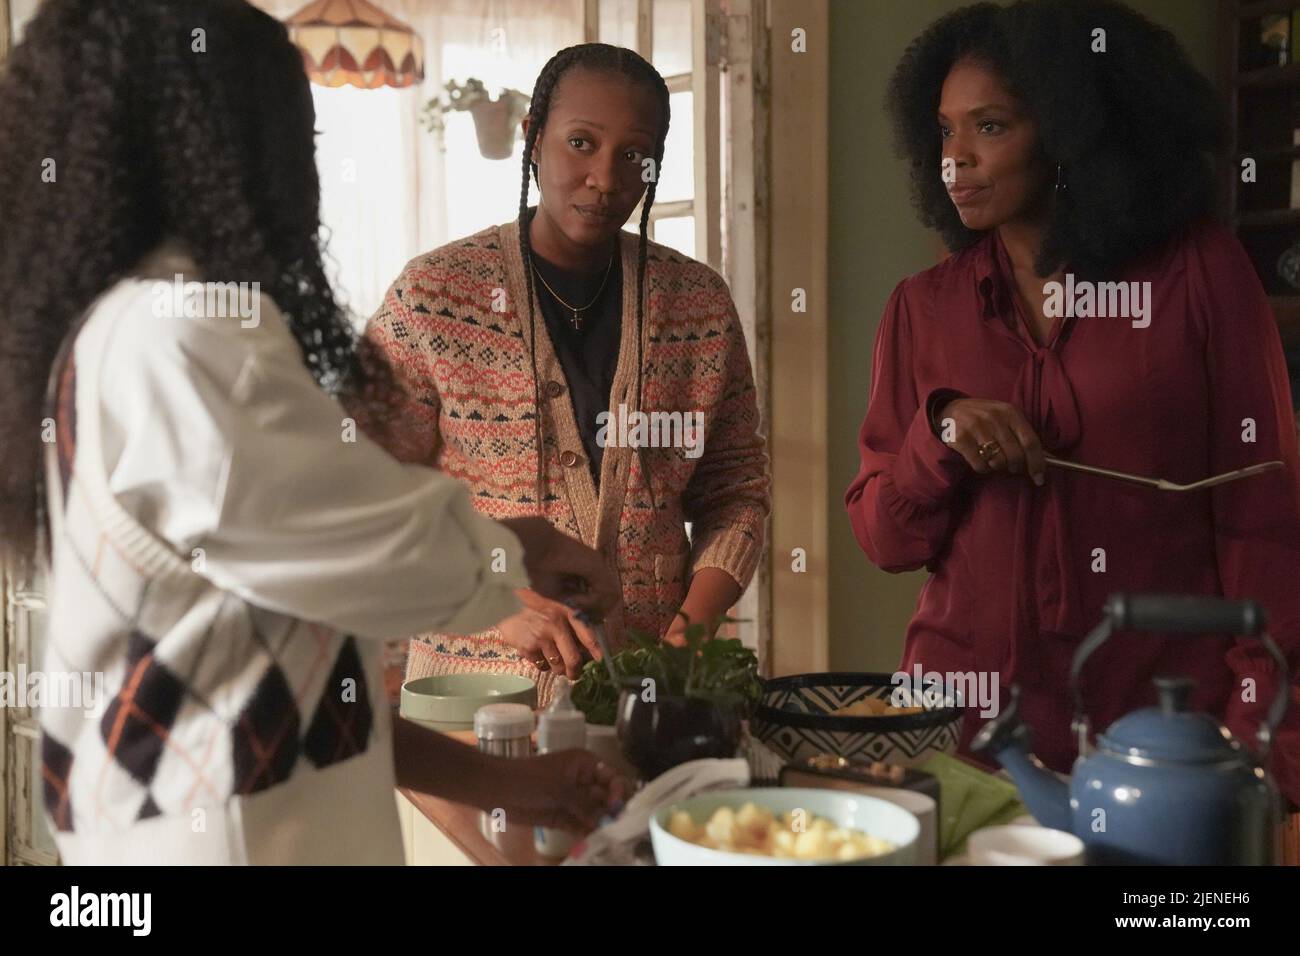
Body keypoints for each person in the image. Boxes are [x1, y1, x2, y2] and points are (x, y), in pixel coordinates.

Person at [0, 0, 626, 864]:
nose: (308, 166)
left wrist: (524, 784)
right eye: (296, 132)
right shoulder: (177, 338)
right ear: (227, 145)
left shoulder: (142, 330)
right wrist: (518, 549)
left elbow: (304, 669)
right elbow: (392, 561)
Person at [846, 0, 1300, 804]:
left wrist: (1269, 740)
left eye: (990, 127)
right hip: (963, 736)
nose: (957, 161)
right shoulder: (922, 307)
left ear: (1068, 131)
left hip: (1161, 740)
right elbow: (885, 537)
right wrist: (941, 433)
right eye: (944, 132)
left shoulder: (1198, 274)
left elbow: (1264, 517)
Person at [364, 43, 770, 702]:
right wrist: (494, 599)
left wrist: (683, 643)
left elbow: (736, 494)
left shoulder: (697, 304)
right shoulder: (436, 294)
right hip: (473, 702)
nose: (605, 177)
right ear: (533, 139)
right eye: (581, 142)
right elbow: (369, 494)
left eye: (633, 154)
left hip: (649, 702)